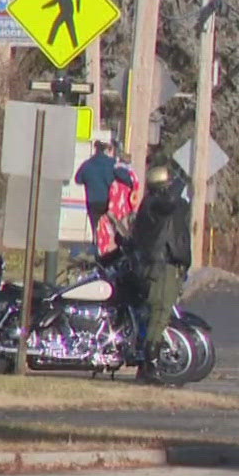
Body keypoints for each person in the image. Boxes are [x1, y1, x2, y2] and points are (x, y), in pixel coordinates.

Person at [128, 161, 192, 381]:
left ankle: (146, 362)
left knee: (159, 314)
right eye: (170, 182)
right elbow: (172, 202)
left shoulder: (158, 206)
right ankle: (150, 363)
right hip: (159, 268)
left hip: (166, 266)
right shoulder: (155, 204)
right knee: (159, 313)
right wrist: (183, 179)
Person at [74, 141, 126, 234]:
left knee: (95, 227)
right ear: (106, 150)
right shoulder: (111, 163)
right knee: (110, 228)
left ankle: (96, 243)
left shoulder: (87, 164)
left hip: (92, 202)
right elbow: (124, 177)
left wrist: (89, 181)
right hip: (108, 201)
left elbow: (78, 180)